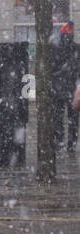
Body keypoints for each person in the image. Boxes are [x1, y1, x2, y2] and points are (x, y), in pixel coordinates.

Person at [50, 22, 79, 154]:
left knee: (58, 117)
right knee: (73, 119)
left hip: (58, 89)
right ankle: (71, 143)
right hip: (72, 89)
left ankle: (60, 140)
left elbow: (51, 69)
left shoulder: (54, 48)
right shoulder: (77, 49)